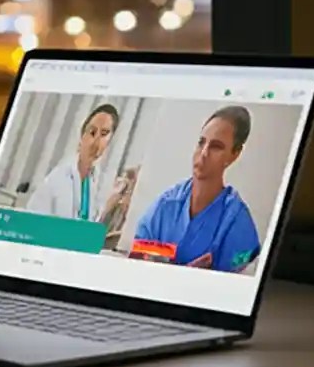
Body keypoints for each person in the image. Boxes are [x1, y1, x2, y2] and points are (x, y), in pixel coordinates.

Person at [132, 106, 262, 272]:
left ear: (234, 154)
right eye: (201, 143)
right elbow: (137, 258)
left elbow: (230, 283)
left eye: (216, 146)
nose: (204, 153)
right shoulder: (167, 204)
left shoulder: (236, 222)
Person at [22, 103, 132, 227]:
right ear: (82, 136)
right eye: (92, 132)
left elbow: (88, 225)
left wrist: (109, 205)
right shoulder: (60, 176)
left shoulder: (95, 180)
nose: (96, 140)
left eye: (104, 134)